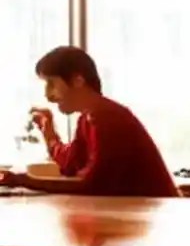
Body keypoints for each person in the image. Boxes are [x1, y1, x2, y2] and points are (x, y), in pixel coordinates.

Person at [0, 46, 178, 197]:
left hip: (155, 224)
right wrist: (49, 132)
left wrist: (23, 180)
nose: (48, 95)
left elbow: (92, 185)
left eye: (52, 84)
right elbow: (70, 165)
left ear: (78, 81)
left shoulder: (107, 117)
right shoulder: (89, 117)